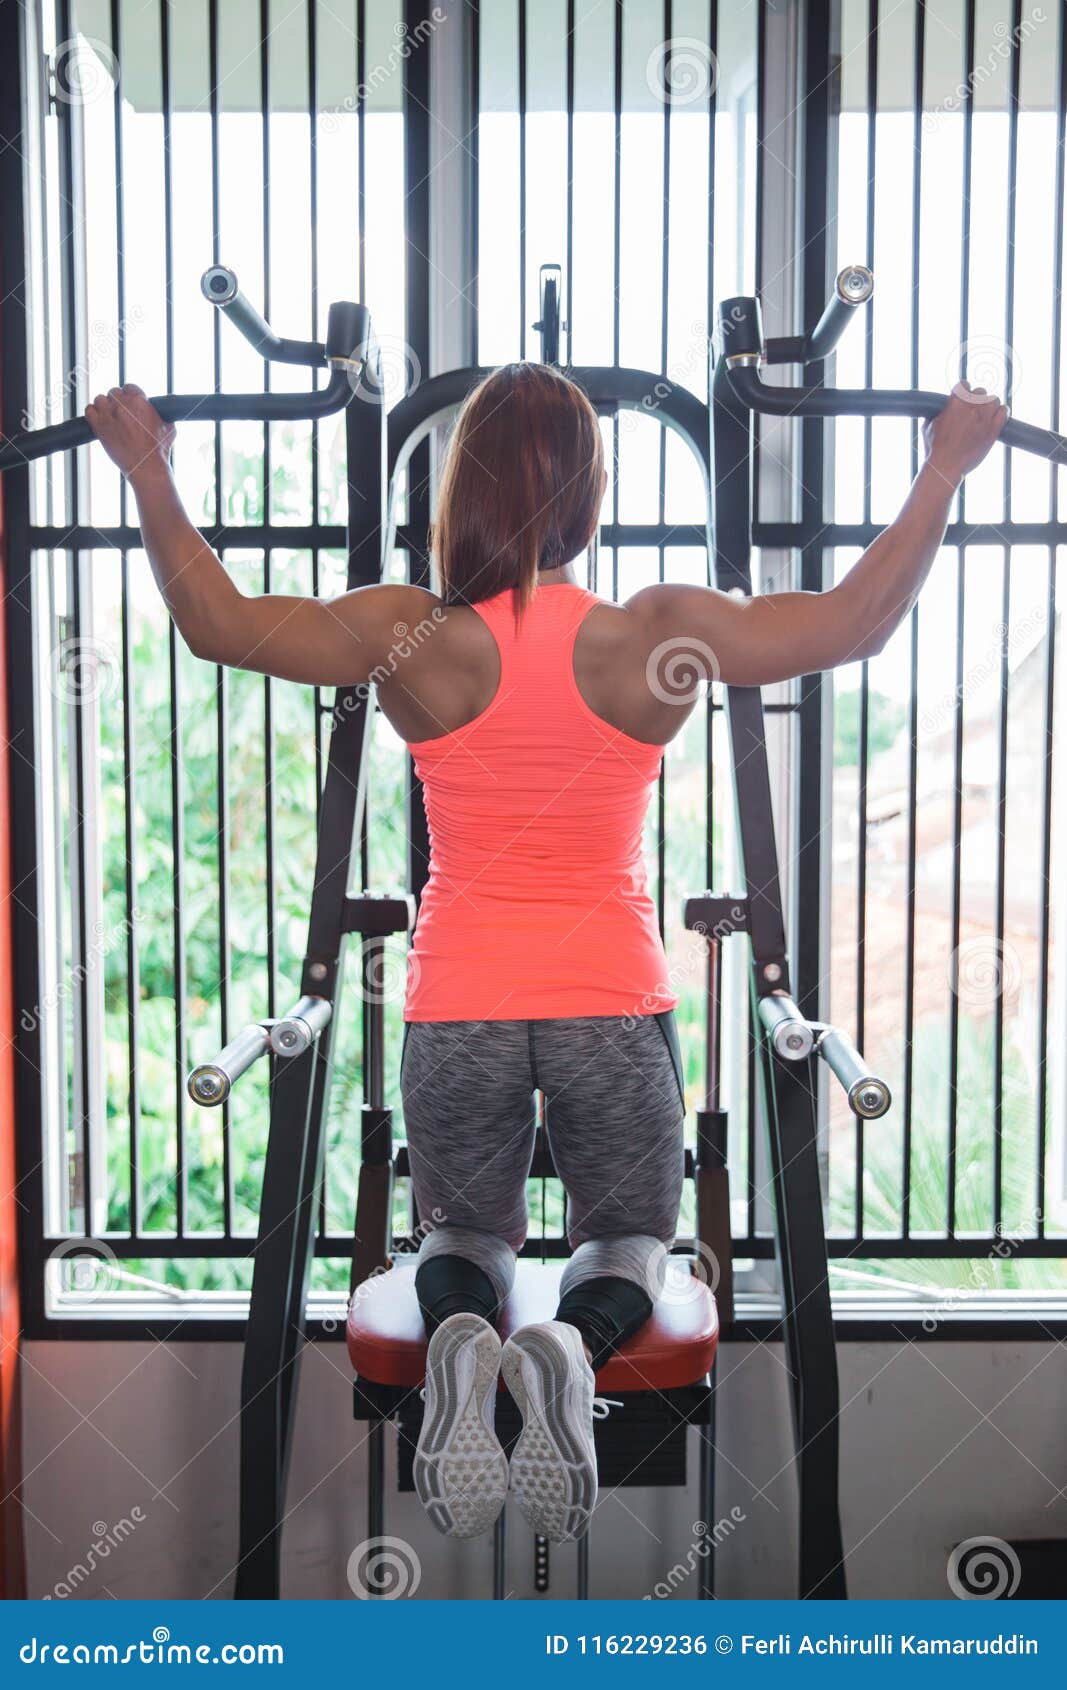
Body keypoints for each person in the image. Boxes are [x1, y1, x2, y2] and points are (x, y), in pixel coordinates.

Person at [86, 364, 1006, 1545]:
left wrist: (147, 467)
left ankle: (463, 1337)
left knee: (462, 1236)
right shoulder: (657, 632)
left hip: (457, 1006)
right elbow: (850, 624)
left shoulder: (407, 632)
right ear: (590, 495)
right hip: (607, 1005)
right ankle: (570, 1343)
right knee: (624, 1238)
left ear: (461, 490)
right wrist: (942, 469)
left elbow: (216, 625)